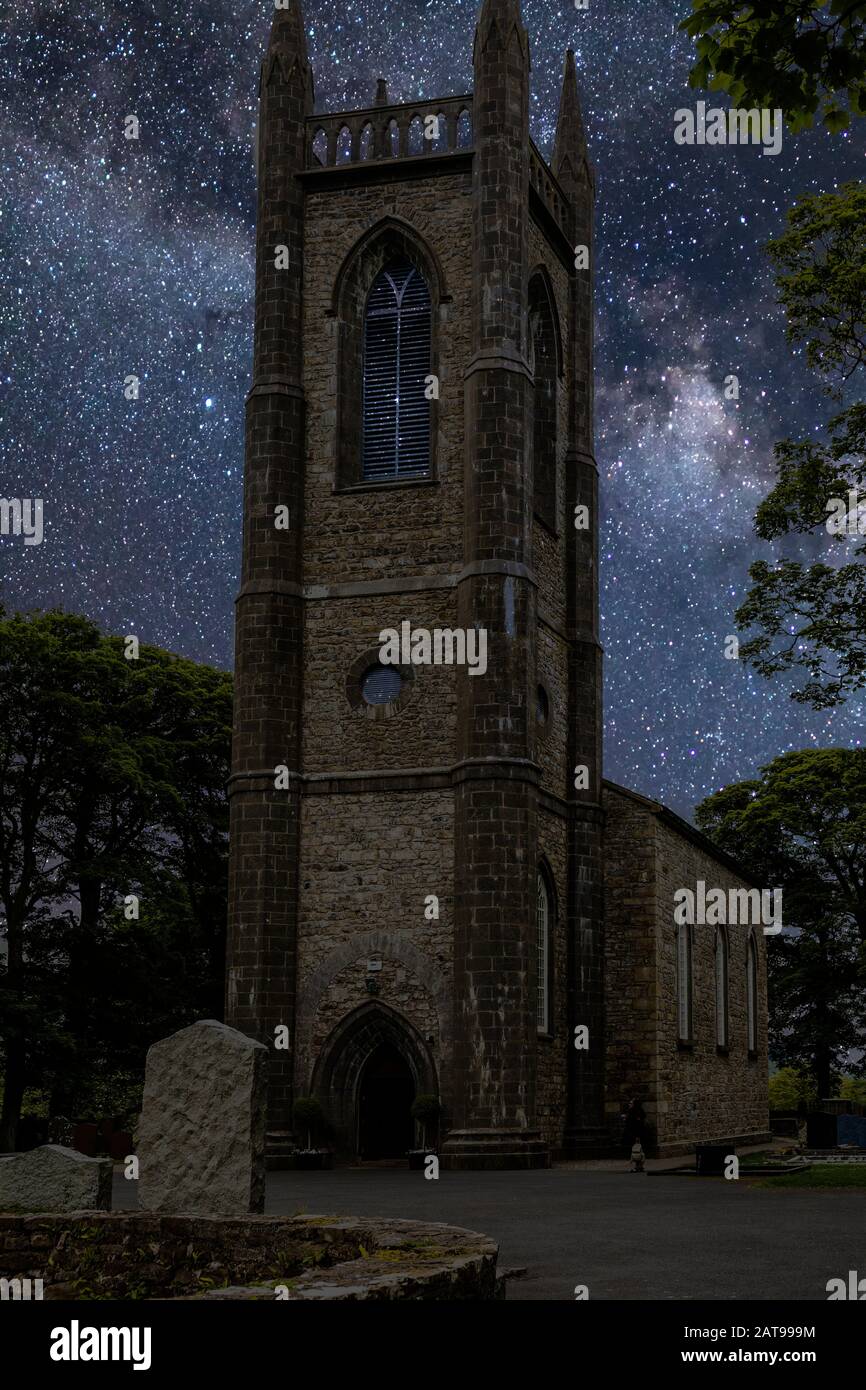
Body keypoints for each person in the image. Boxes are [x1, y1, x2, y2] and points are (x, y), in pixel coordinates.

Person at [622, 1096, 647, 1172]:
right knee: (639, 1150)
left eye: (631, 1103)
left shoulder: (634, 1112)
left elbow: (635, 1124)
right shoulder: (639, 1111)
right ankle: (640, 1166)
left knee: (636, 1151)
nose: (629, 1104)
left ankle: (638, 1166)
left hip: (635, 1133)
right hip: (637, 1133)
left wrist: (626, 1118)